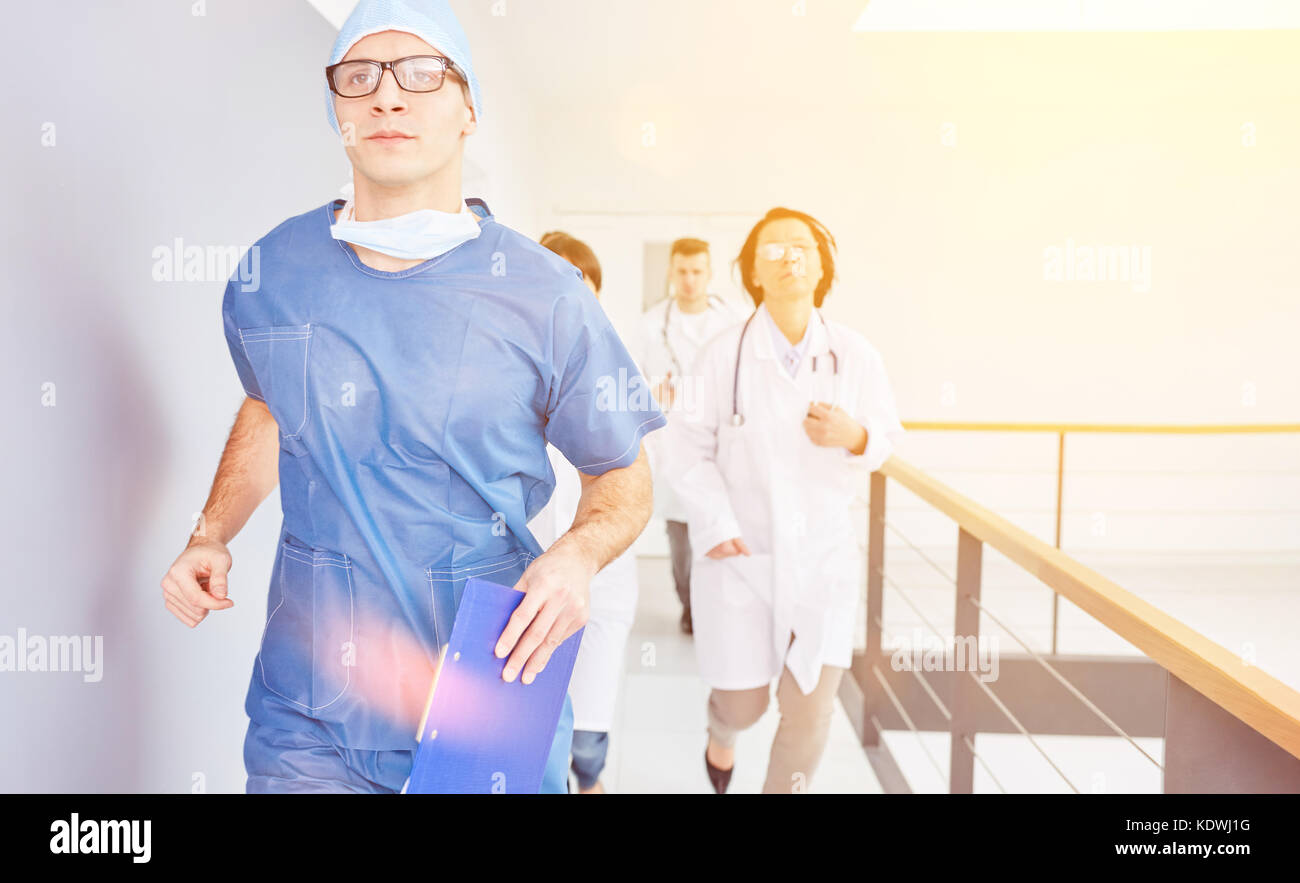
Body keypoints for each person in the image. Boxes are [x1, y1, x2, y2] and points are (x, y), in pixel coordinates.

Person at [158, 0, 666, 794]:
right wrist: (211, 530)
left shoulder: (547, 294)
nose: (387, 96)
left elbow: (623, 476)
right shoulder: (272, 273)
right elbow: (269, 405)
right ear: (338, 110)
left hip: (487, 690)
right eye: (360, 76)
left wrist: (575, 555)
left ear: (469, 111)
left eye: (421, 74)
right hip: (309, 711)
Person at [666, 207, 905, 794]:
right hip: (741, 556)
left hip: (822, 560)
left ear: (822, 265)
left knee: (809, 712)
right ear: (751, 270)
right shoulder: (722, 355)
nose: (790, 257)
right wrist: (715, 523)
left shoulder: (855, 355)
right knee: (743, 705)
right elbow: (685, 447)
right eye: (773, 249)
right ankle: (722, 730)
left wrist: (855, 436)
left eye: (802, 246)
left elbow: (886, 437)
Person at [533, 232, 642, 794]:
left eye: (586, 287)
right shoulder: (508, 364)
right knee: (531, 724)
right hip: (522, 580)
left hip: (602, 576)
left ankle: (592, 782)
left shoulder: (620, 373)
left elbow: (636, 483)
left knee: (588, 733)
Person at [637, 239, 746, 634]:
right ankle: (690, 608)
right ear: (671, 272)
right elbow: (634, 383)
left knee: (722, 528)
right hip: (674, 444)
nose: (689, 280)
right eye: (682, 271)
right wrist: (653, 393)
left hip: (723, 444)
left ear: (709, 273)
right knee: (681, 538)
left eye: (697, 271)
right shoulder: (650, 326)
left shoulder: (735, 321)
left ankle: (720, 609)